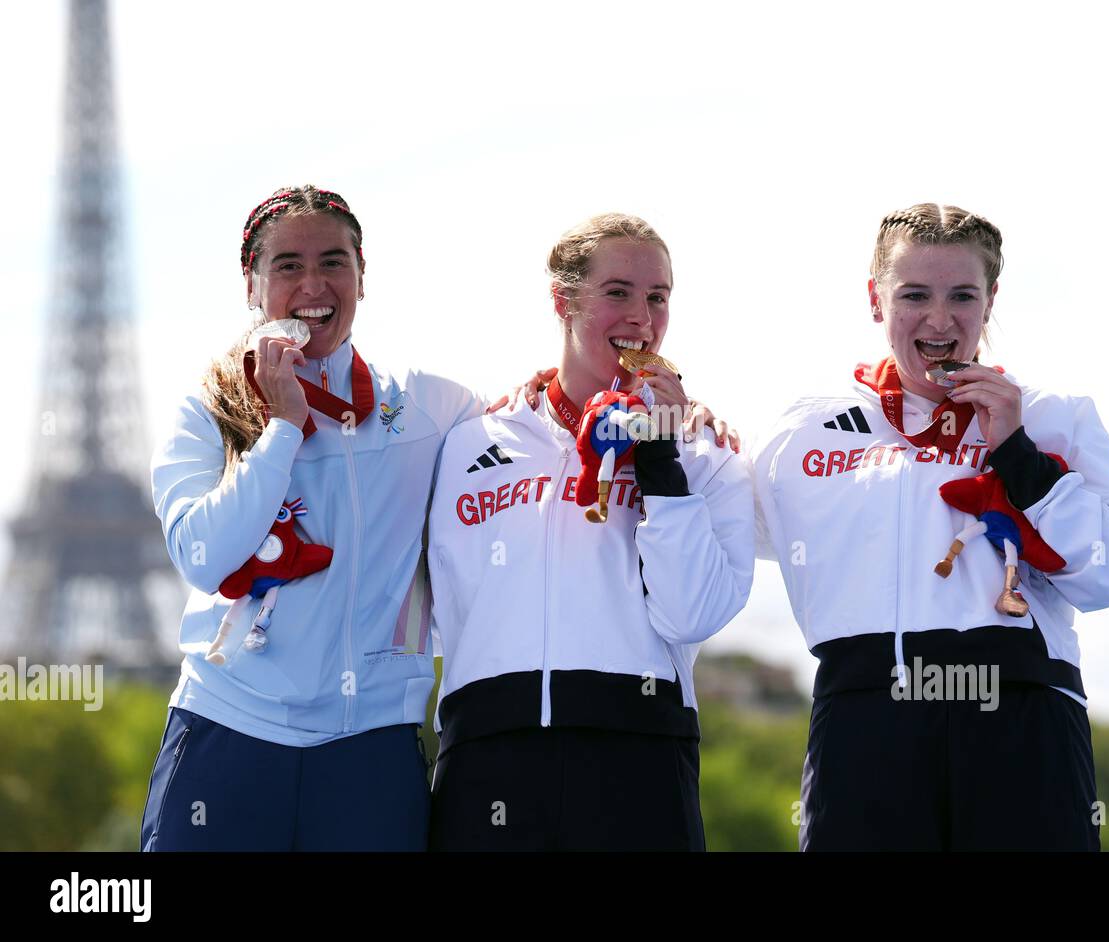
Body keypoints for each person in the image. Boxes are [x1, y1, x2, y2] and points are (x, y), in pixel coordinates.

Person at [140, 185, 553, 851]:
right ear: (251, 282)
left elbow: (535, 434)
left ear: (363, 275)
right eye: (287, 265)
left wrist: (669, 426)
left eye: (334, 262)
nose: (314, 284)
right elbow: (202, 556)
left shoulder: (425, 404)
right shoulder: (207, 410)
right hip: (230, 733)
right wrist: (281, 431)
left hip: (370, 748)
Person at [751, 203, 1109, 851]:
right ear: (876, 300)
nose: (940, 319)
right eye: (915, 295)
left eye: (962, 295)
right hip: (865, 718)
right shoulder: (806, 431)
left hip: (1021, 715)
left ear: (991, 301)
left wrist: (1019, 454)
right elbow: (712, 543)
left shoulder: (1054, 416)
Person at [425, 213, 754, 851]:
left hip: (639, 758)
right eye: (618, 293)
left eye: (657, 297)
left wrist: (661, 460)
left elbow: (694, 614)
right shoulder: (469, 443)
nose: (641, 316)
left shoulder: (705, 452)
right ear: (563, 302)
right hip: (487, 759)